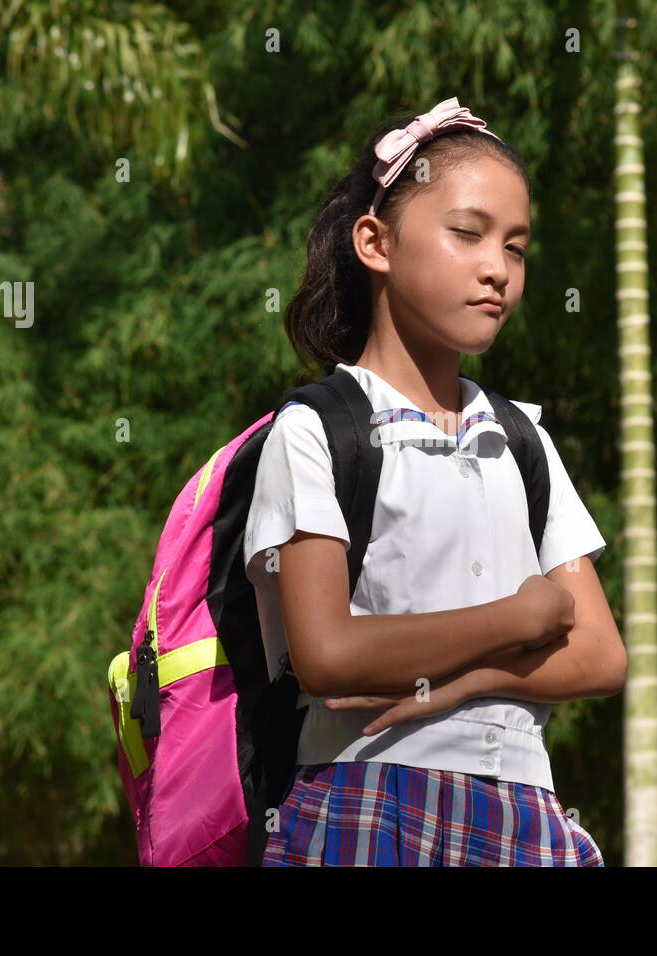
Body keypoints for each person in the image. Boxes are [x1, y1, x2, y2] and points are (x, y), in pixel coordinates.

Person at [244, 97, 625, 866]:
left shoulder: (521, 437)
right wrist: (524, 614)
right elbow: (326, 653)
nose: (498, 269)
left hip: (523, 813)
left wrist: (458, 682)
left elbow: (601, 657)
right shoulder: (318, 430)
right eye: (468, 233)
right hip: (369, 802)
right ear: (375, 243)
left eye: (516, 248)